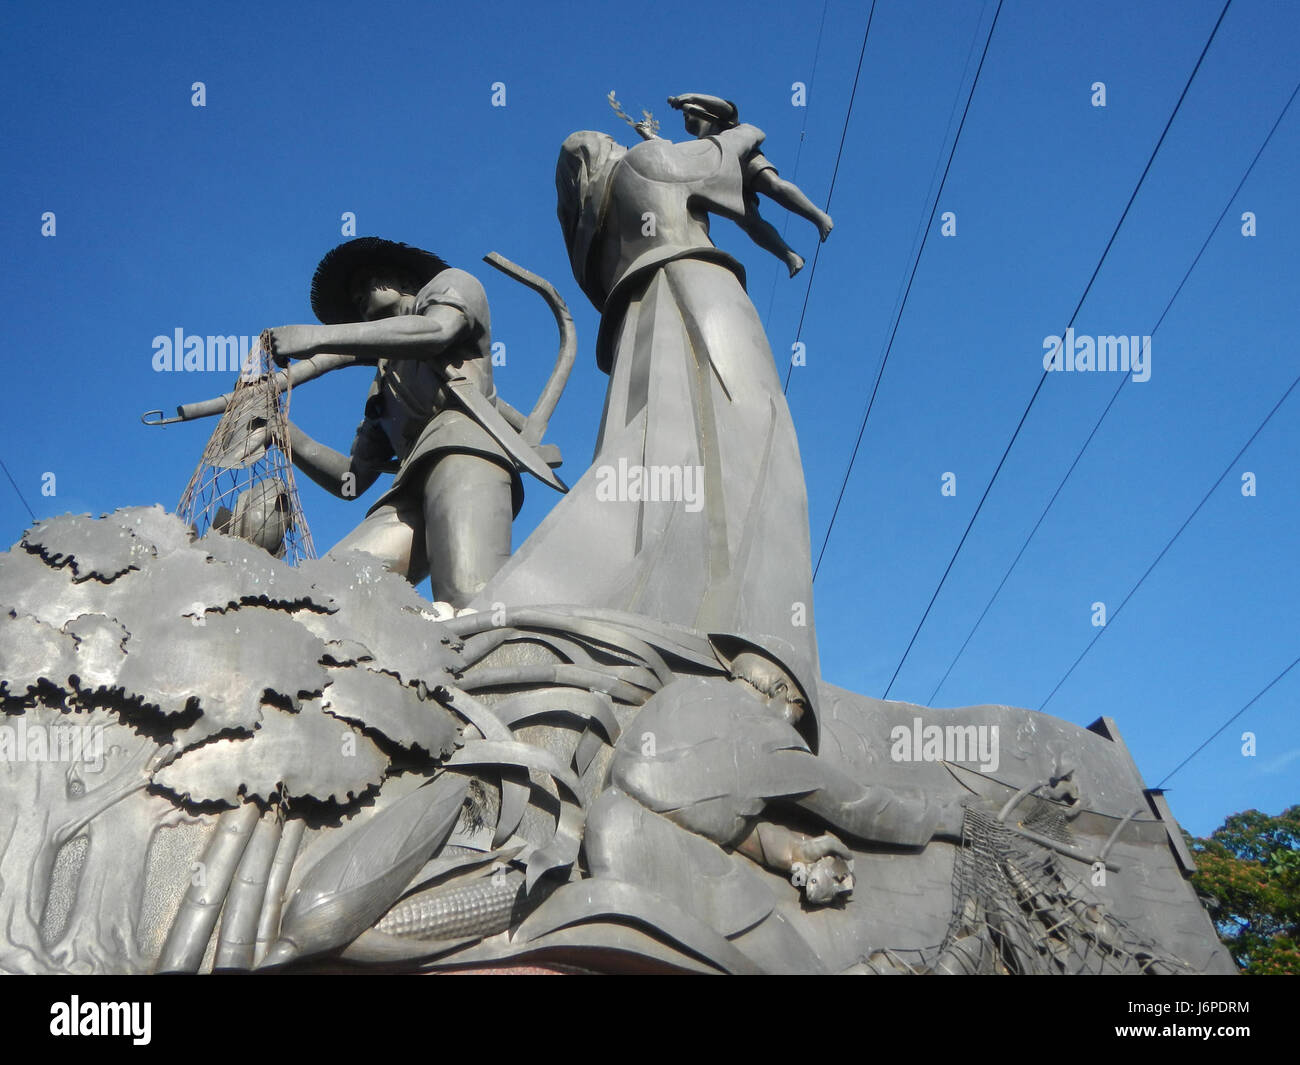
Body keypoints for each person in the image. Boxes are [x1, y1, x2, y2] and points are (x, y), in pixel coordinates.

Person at [474, 123, 823, 727]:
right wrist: (738, 135)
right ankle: (758, 649)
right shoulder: (649, 161)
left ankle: (677, 633)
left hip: (640, 312)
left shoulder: (601, 232)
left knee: (655, 458)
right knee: (752, 436)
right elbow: (735, 151)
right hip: (697, 288)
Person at [264, 237, 519, 609]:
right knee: (324, 592)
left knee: (469, 606)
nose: (358, 294)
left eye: (369, 279)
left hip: (464, 455)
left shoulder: (453, 284)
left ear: (406, 281)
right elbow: (351, 481)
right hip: (406, 491)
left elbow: (437, 333)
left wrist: (319, 337)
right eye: (354, 296)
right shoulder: (384, 384)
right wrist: (281, 432)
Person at [665, 92, 833, 277]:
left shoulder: (718, 120)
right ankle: (790, 256)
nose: (685, 115)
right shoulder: (699, 145)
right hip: (727, 176)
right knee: (749, 222)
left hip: (745, 159)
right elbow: (676, 158)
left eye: (688, 112)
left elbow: (726, 107)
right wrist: (650, 137)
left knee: (774, 186)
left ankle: (819, 218)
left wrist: (692, 97)